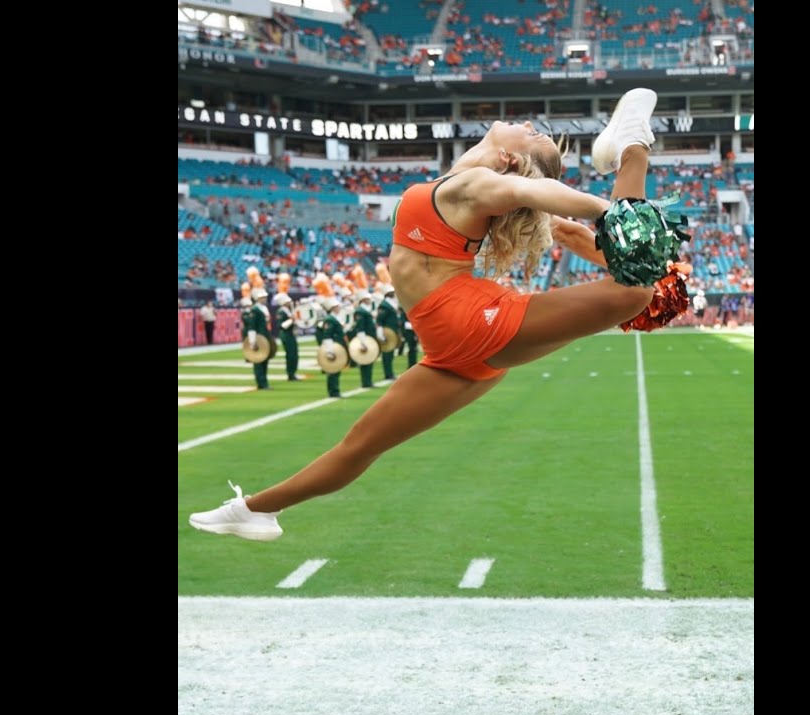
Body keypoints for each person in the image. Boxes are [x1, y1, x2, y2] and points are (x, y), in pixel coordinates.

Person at [190, 88, 690, 541]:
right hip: (451, 349)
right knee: (359, 446)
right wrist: (621, 239)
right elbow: (558, 221)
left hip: (469, 322)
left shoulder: (477, 183)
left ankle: (632, 145)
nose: (526, 124)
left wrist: (609, 214)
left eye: (531, 132)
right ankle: (252, 510)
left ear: (509, 157)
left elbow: (534, 194)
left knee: (634, 289)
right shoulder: (465, 185)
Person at [316, 296, 346, 399]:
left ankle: (335, 390)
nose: (339, 308)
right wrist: (330, 351)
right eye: (337, 306)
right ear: (333, 308)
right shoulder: (330, 319)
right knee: (333, 370)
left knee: (336, 369)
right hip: (334, 347)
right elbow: (327, 336)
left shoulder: (334, 318)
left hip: (337, 346)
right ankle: (333, 391)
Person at [351, 291, 377, 389]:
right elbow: (360, 328)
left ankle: (368, 381)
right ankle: (366, 382)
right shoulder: (360, 311)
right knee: (365, 360)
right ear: (363, 300)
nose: (369, 300)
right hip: (365, 338)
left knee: (370, 359)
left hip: (369, 337)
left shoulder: (365, 310)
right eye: (367, 299)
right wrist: (363, 342)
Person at [375, 283, 401, 381]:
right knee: (387, 354)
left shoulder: (391, 303)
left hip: (392, 331)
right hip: (387, 332)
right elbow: (379, 321)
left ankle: (390, 373)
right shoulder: (384, 305)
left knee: (391, 354)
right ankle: (388, 373)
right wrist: (380, 334)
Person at [248, 288, 272, 390]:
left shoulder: (264, 308)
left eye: (265, 297)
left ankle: (264, 382)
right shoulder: (255, 310)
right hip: (259, 337)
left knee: (265, 360)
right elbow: (252, 327)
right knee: (259, 361)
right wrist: (252, 341)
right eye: (262, 297)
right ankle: (261, 382)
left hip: (265, 336)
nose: (264, 299)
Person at [273, 292, 300, 381]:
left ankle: (293, 372)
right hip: (286, 334)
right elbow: (282, 325)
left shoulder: (288, 310)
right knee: (290, 354)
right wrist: (291, 320)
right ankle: (290, 373)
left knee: (294, 354)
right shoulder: (281, 311)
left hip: (291, 334)